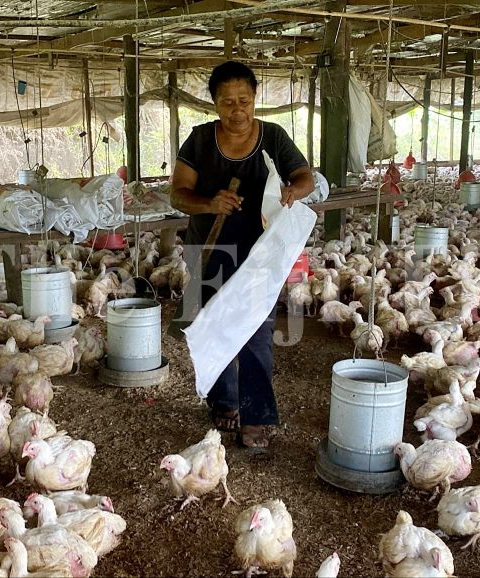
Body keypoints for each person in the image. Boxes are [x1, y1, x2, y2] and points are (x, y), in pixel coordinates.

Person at [171, 61, 315, 449]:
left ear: (255, 99)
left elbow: (305, 177)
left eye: (245, 101)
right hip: (210, 247)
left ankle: (255, 415)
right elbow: (178, 193)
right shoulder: (200, 141)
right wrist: (209, 202)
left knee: (256, 332)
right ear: (215, 104)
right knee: (215, 323)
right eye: (227, 102)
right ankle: (225, 400)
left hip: (258, 255)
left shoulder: (274, 136)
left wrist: (293, 191)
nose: (237, 111)